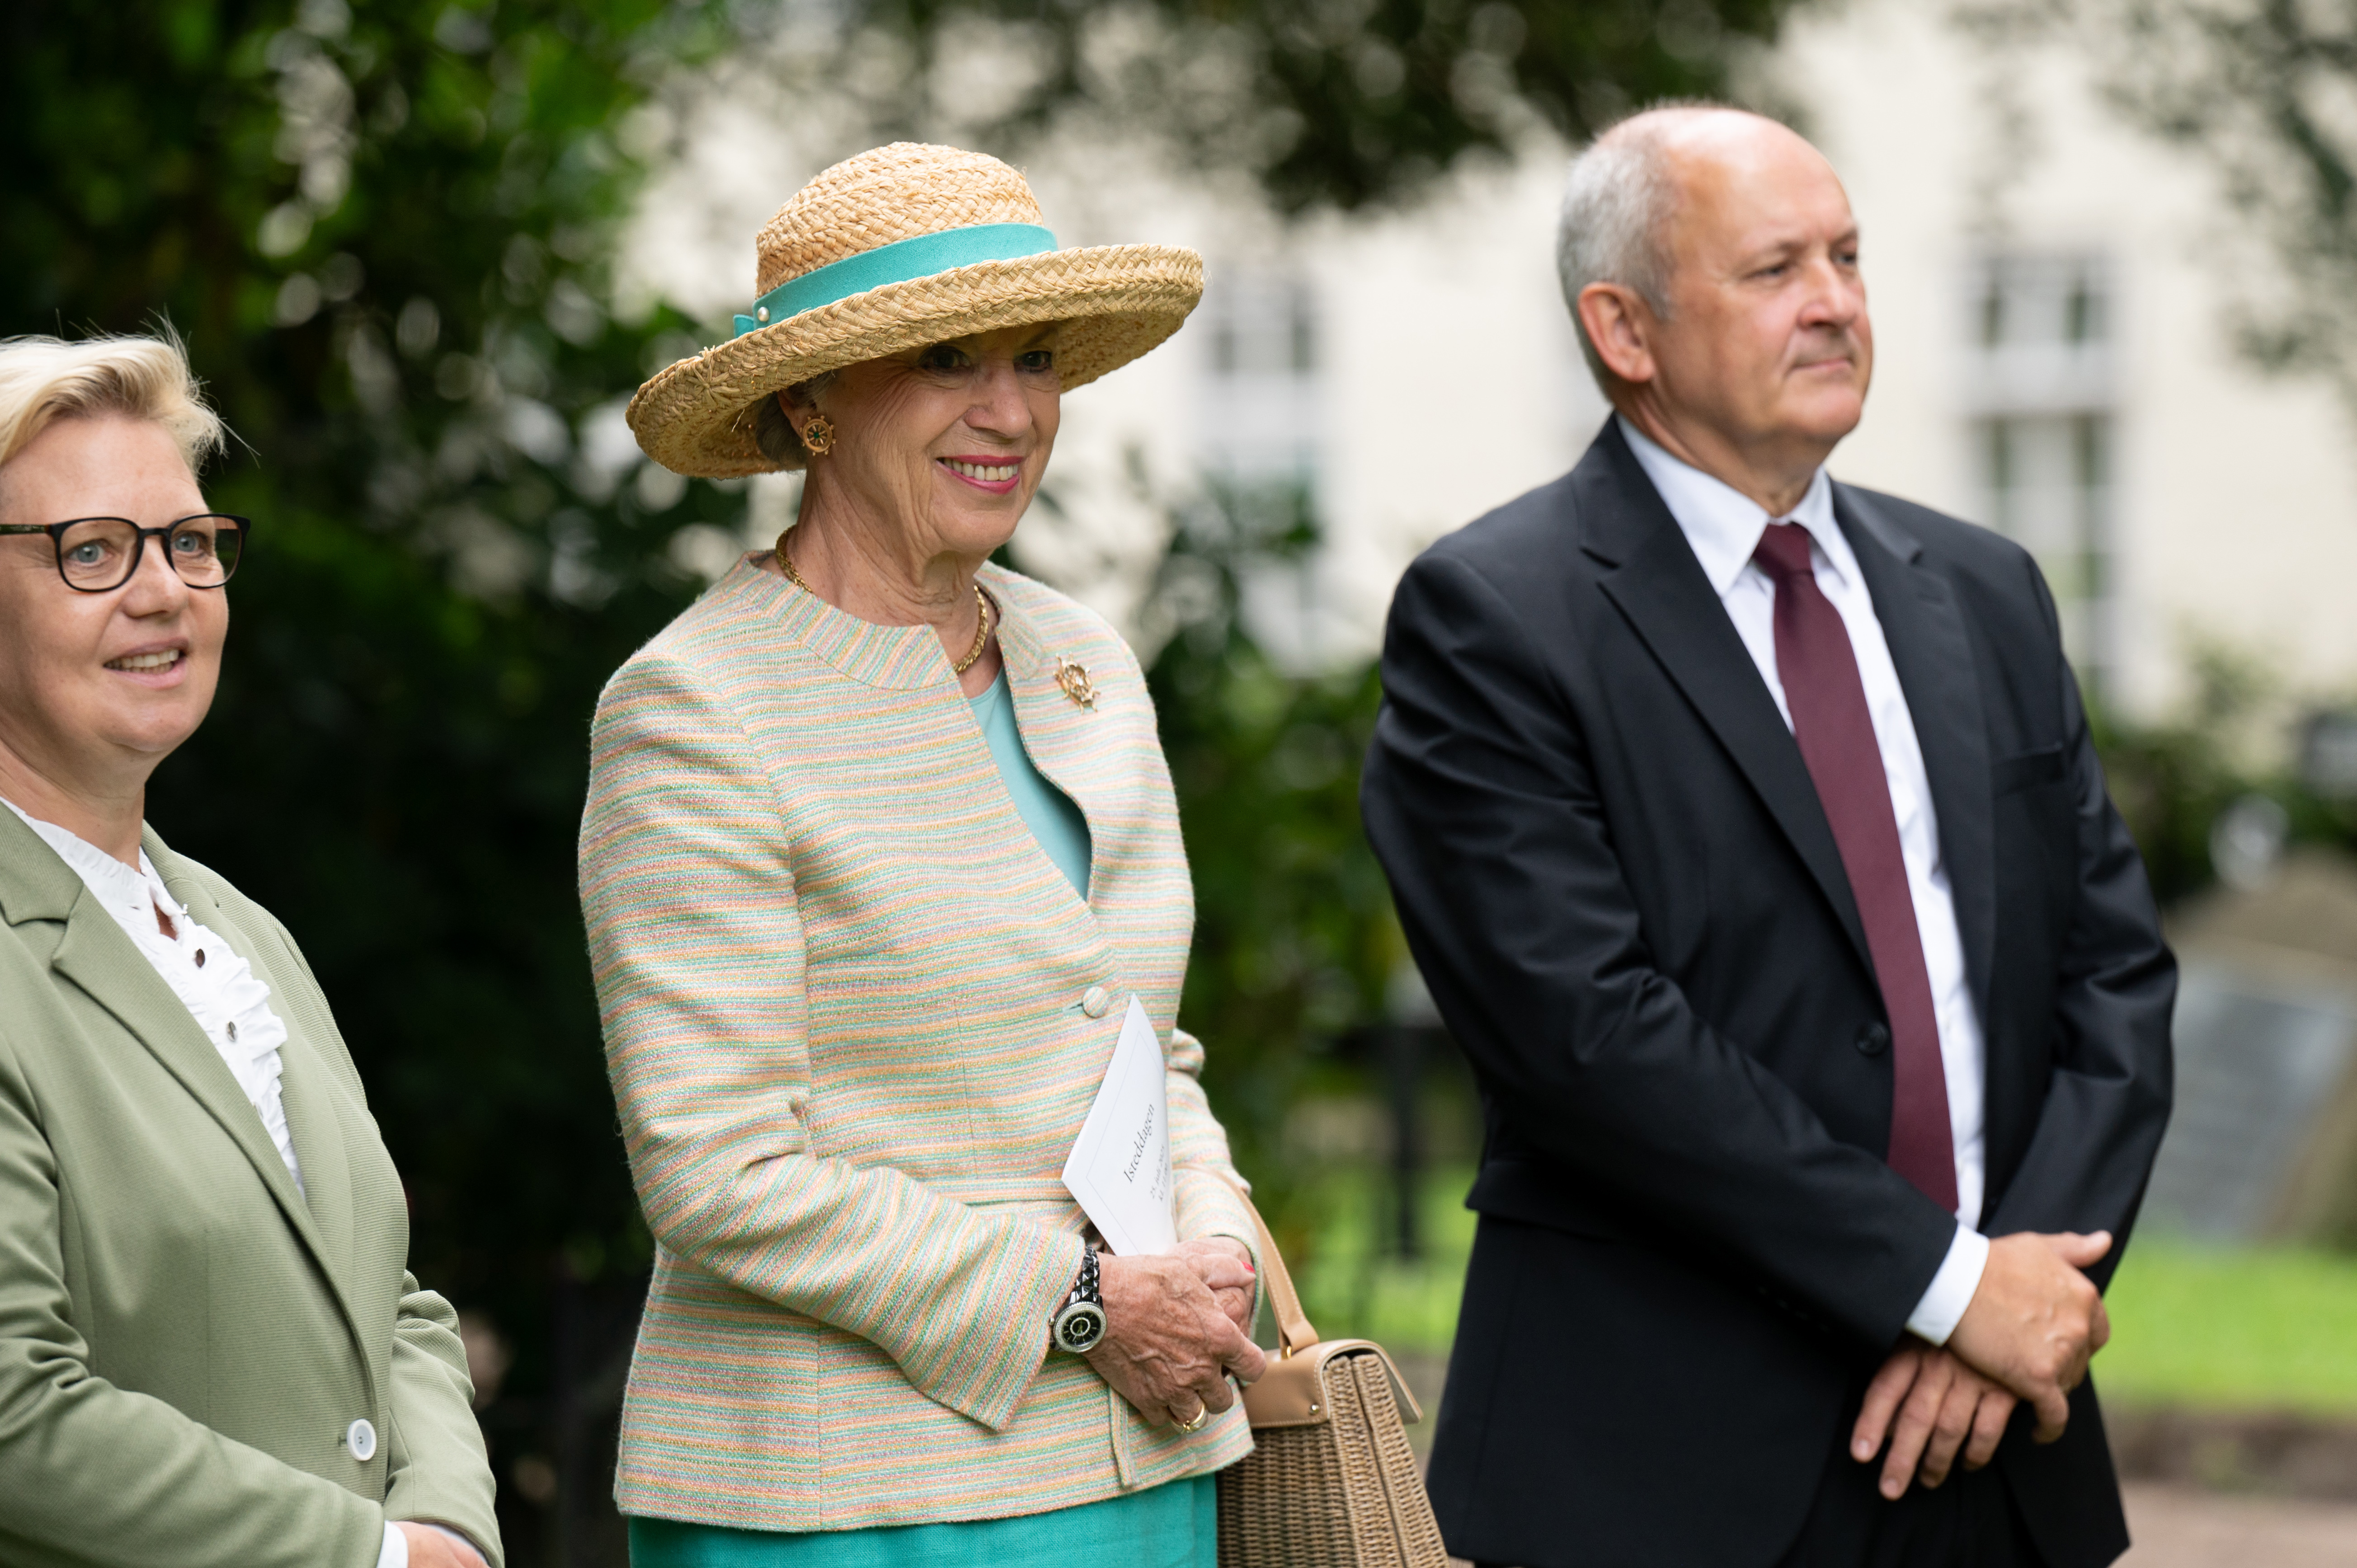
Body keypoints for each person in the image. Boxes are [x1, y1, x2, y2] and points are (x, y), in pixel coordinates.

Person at [1360, 106, 2174, 1568]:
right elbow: (1588, 1039)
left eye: (1849, 258)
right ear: (1625, 328)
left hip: (2000, 1465)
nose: (1836, 302)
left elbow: (2114, 976)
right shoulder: (1495, 619)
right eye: (1775, 269)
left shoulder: (1985, 590)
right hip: (1660, 1472)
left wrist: (2019, 1300)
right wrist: (1944, 1286)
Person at [580, 142, 1266, 1567]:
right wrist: (1085, 1304)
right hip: (848, 1507)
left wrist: (1216, 1239)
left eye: (1035, 360)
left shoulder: (1086, 662)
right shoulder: (694, 708)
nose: (1009, 411)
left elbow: (1146, 1052)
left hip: (1147, 1469)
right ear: (812, 404)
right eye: (948, 361)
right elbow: (720, 1170)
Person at [0, 333, 501, 1568]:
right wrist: (371, 1558)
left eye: (188, 542)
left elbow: (390, 1301)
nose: (163, 590)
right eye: (92, 550)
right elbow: (14, 1408)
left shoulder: (239, 930)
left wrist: (448, 1528)